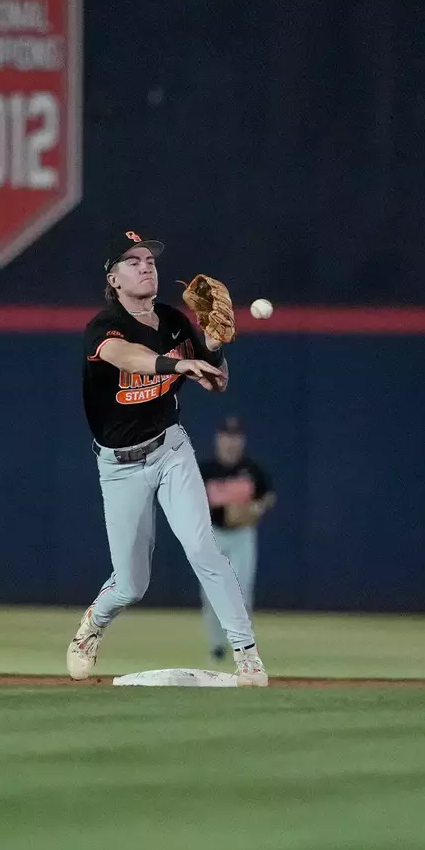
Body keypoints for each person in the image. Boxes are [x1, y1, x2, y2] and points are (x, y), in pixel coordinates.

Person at [67, 231, 268, 686]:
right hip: (120, 465)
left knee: (203, 549)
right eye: (133, 261)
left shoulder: (175, 322)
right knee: (130, 584)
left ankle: (248, 656)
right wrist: (177, 364)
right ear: (113, 279)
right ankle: (92, 626)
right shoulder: (104, 326)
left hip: (170, 447)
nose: (145, 266)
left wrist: (212, 345)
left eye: (150, 260)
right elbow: (127, 358)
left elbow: (216, 382)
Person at [199, 416, 275, 662]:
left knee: (242, 593)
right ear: (218, 439)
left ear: (242, 440)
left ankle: (244, 648)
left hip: (242, 535)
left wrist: (257, 508)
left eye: (236, 437)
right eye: (227, 436)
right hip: (213, 534)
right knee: (212, 592)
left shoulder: (252, 470)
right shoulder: (206, 470)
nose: (231, 441)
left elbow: (268, 495)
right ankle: (217, 647)